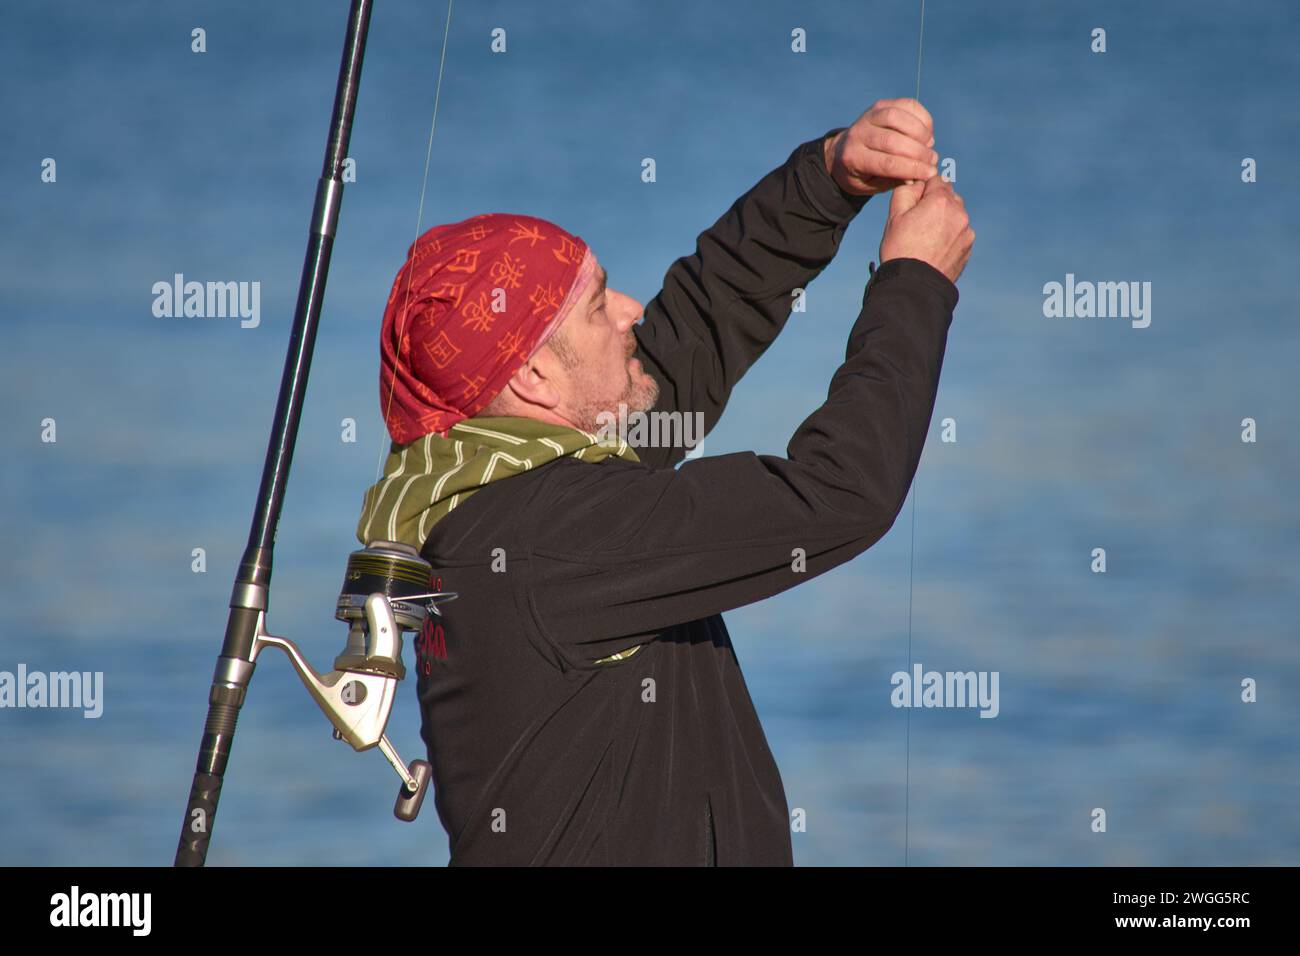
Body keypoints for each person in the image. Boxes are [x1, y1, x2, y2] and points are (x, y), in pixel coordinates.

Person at [356, 98, 974, 865]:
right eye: (595, 304)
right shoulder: (560, 536)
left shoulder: (496, 487)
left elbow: (690, 340)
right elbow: (838, 494)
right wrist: (914, 284)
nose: (629, 311)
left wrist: (828, 179)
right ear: (540, 377)